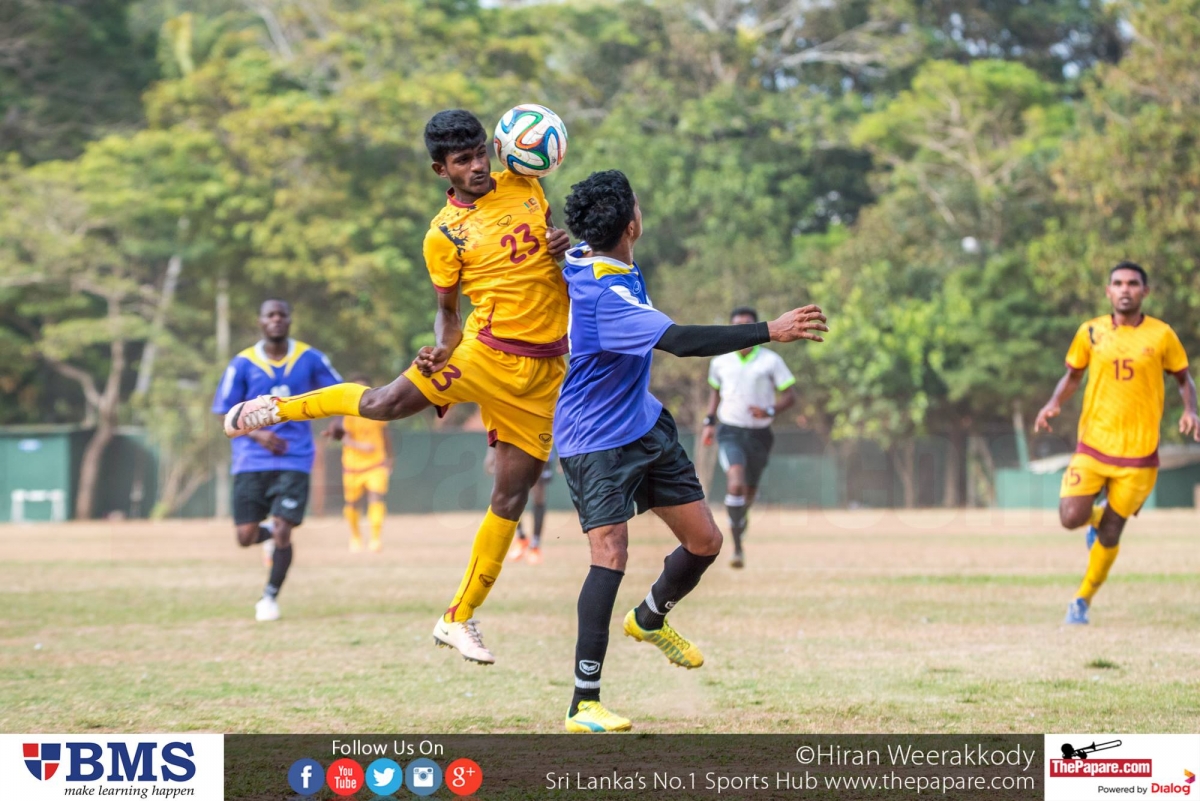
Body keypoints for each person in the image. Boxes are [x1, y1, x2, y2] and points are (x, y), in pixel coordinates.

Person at [223, 109, 571, 664]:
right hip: (485, 352)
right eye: (464, 160)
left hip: (546, 372)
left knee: (510, 497)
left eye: (482, 152)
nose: (479, 165)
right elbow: (447, 316)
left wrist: (562, 245)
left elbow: (555, 258)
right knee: (383, 403)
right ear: (441, 170)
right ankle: (278, 408)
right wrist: (441, 351)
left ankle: (457, 619)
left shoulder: (528, 182)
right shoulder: (443, 235)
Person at [554, 170, 828, 732]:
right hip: (593, 440)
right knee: (610, 553)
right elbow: (679, 341)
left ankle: (650, 618)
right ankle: (584, 702)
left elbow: (565, 246)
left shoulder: (590, 255)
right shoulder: (604, 293)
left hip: (643, 425)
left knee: (706, 541)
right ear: (632, 223)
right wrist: (768, 331)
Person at [1034, 261, 1198, 625]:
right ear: (1108, 291)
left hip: (1140, 456)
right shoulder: (1090, 331)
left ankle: (1081, 601)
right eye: (1118, 283)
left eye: (1133, 283)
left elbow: (1184, 379)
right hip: (1093, 445)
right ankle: (1094, 518)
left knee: (1112, 530)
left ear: (1145, 291)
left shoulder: (1162, 335)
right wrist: (1053, 403)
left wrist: (1191, 410)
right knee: (1070, 517)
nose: (1125, 289)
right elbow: (1072, 376)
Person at [211, 299, 342, 621]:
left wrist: (338, 422)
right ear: (260, 321)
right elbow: (222, 412)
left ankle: (269, 598)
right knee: (245, 537)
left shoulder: (310, 358)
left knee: (285, 530)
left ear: (289, 320)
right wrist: (257, 433)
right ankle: (268, 532)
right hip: (250, 460)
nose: (276, 320)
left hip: (294, 456)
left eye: (282, 314)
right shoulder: (242, 363)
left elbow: (340, 391)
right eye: (270, 314)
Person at [701, 307, 796, 568]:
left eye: (747, 324)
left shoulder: (770, 360)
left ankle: (740, 521)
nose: (742, 329)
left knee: (749, 493)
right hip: (730, 429)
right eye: (737, 325)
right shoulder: (720, 361)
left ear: (757, 328)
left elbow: (790, 395)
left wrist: (769, 409)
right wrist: (709, 421)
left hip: (760, 433)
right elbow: (715, 392)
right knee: (735, 482)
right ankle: (737, 549)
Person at [335, 375, 393, 552]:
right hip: (353, 465)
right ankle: (355, 537)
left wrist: (390, 457)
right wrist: (360, 446)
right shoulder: (347, 414)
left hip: (376, 463)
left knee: (376, 497)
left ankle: (375, 539)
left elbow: (385, 434)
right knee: (353, 503)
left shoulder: (377, 410)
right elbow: (342, 438)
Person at [507, 446, 556, 565]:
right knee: (514, 496)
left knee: (538, 497)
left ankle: (535, 545)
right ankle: (521, 538)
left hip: (541, 449)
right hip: (516, 448)